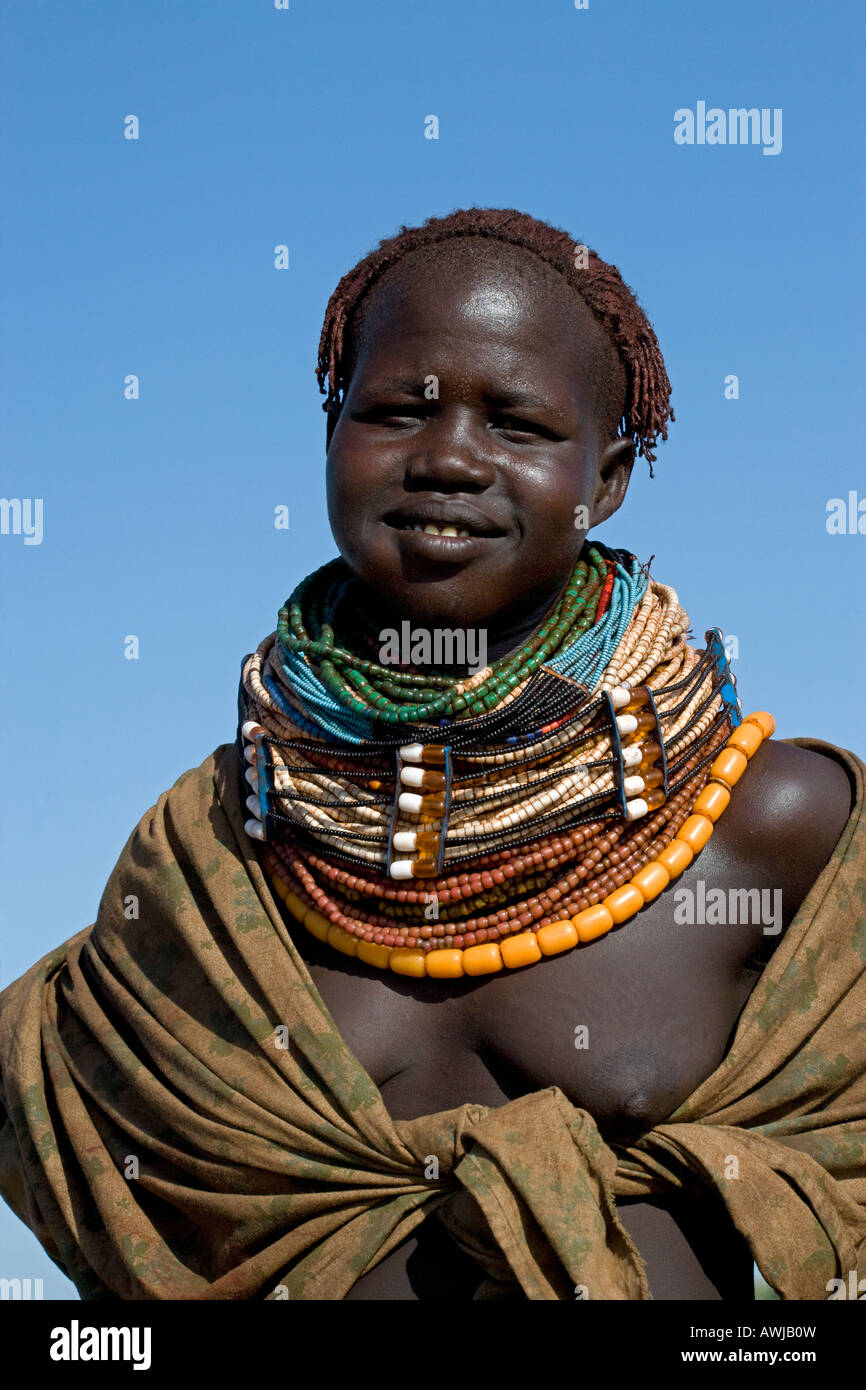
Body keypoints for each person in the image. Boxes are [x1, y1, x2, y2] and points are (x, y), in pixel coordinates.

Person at [1, 207, 864, 1301]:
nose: (447, 458)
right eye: (394, 412)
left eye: (515, 424)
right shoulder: (216, 857)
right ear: (328, 436)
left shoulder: (774, 826)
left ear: (606, 480)